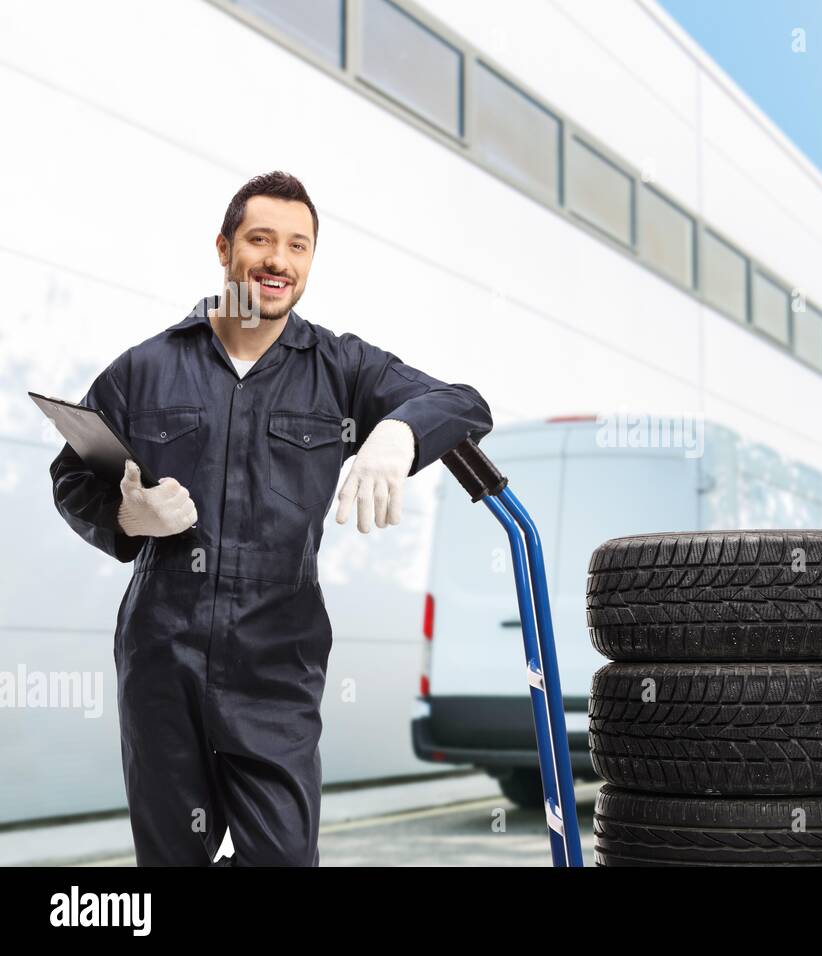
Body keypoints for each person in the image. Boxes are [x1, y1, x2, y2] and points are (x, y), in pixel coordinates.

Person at [48, 171, 493, 866]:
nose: (279, 260)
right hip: (163, 656)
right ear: (225, 247)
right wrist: (127, 514)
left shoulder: (339, 368)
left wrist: (397, 435)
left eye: (298, 246)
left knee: (282, 855)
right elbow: (72, 474)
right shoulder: (147, 369)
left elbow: (462, 403)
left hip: (276, 664)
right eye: (260, 239)